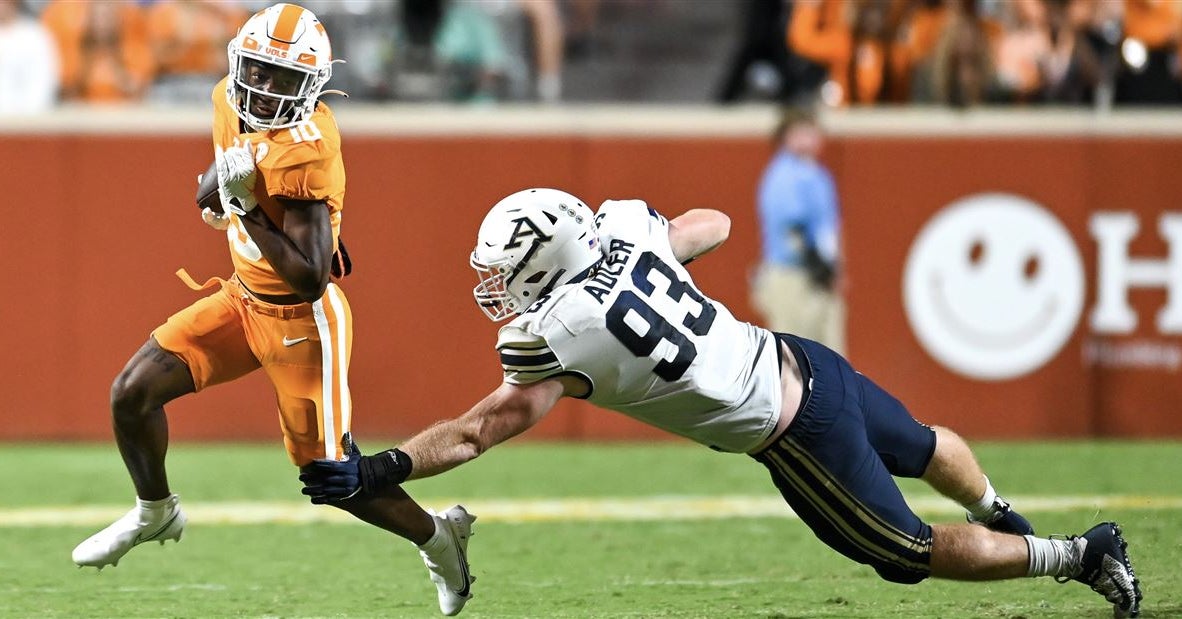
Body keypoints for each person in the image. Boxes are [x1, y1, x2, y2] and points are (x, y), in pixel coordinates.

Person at [300, 188, 1143, 618]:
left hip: (793, 433)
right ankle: (1006, 512)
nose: (497, 290)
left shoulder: (561, 331)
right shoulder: (623, 231)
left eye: (508, 273)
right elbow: (715, 224)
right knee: (921, 443)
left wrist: (382, 465)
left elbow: (482, 428)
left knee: (905, 549)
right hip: (806, 361)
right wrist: (647, 253)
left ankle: (1075, 553)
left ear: (546, 264)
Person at [70, 4, 475, 616]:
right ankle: (156, 513)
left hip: (303, 325)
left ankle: (440, 539)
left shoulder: (305, 146)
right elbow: (223, 177)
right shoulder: (225, 101)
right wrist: (220, 194)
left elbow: (310, 279)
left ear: (312, 85)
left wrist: (248, 210)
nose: (264, 90)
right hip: (242, 298)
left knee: (334, 481)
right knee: (131, 393)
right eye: (257, 71)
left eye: (284, 80)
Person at [751, 107, 845, 354]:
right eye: (799, 131)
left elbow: (827, 227)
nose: (807, 138)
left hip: (820, 274)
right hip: (794, 274)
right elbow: (792, 229)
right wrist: (818, 265)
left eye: (811, 131)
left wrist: (832, 266)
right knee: (797, 356)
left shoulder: (818, 174)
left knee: (831, 353)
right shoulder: (784, 175)